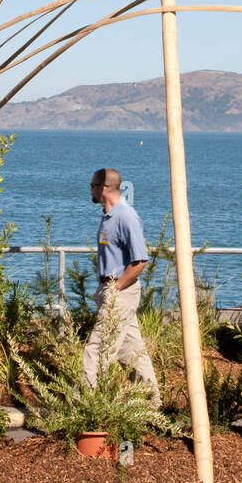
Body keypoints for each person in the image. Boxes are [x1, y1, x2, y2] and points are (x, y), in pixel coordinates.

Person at [82, 167, 161, 407]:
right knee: (131, 352)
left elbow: (140, 261)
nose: (91, 190)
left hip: (120, 293)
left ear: (104, 188)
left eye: (93, 186)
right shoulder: (108, 216)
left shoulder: (125, 216)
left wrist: (115, 289)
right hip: (109, 290)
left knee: (96, 349)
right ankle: (152, 405)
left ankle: (85, 406)